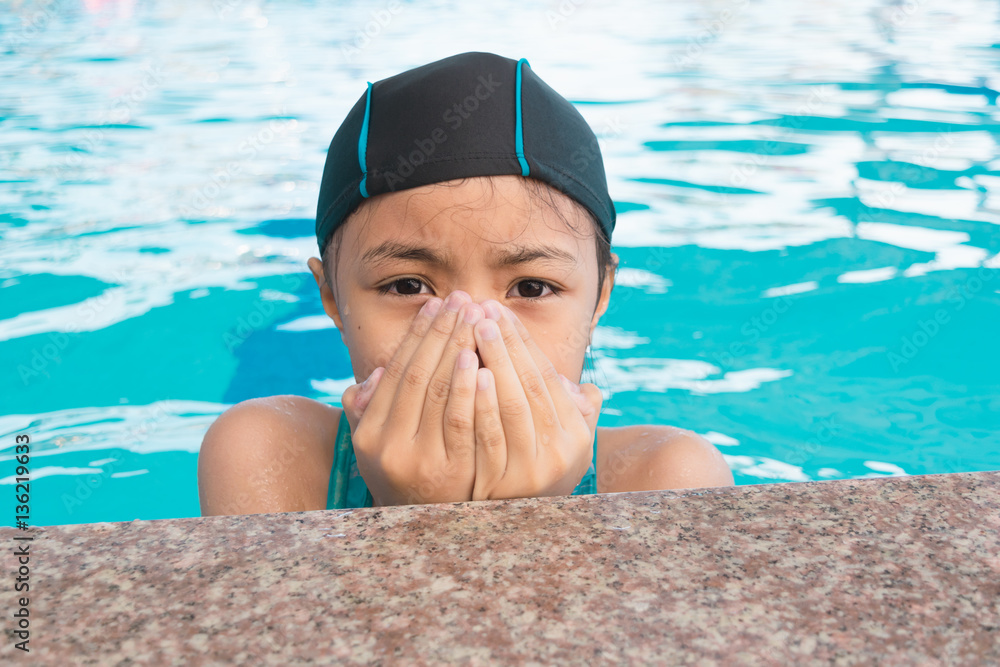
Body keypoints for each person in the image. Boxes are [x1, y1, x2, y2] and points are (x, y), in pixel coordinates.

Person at [198, 51, 733, 515]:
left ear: (600, 298)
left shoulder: (666, 481)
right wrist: (407, 513)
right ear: (332, 300)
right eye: (409, 287)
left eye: (530, 288)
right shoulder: (267, 453)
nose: (472, 334)